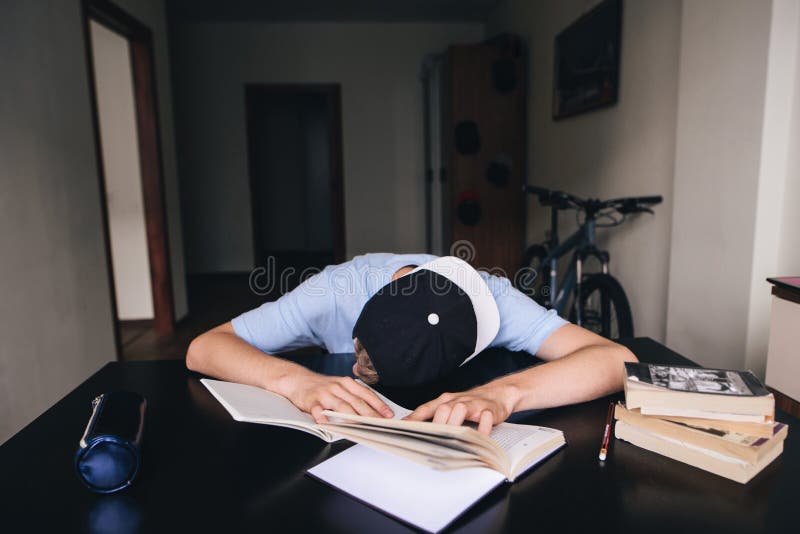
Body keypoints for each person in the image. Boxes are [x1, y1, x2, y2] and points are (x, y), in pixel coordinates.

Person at [186, 253, 637, 435]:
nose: (360, 370)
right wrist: (295, 381)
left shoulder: (492, 300)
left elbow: (618, 358)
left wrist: (502, 394)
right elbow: (204, 347)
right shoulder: (333, 292)